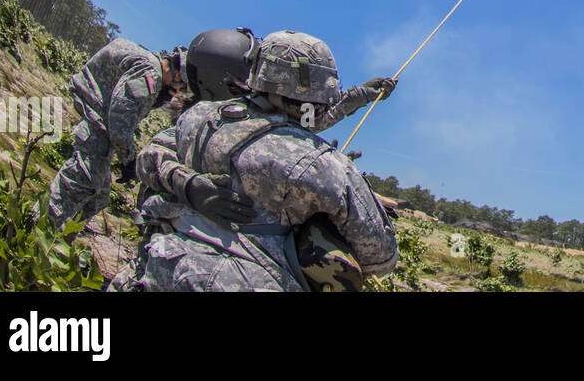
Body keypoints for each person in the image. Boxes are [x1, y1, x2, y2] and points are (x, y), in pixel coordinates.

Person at [126, 30, 398, 291]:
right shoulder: (326, 166)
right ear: (314, 92)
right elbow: (381, 257)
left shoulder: (200, 116)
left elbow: (150, 157)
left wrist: (187, 185)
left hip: (160, 268)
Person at [45, 37, 186, 229]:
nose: (174, 95)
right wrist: (128, 159)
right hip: (98, 126)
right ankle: (35, 235)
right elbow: (121, 116)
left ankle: (64, 236)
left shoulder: (148, 64)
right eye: (179, 89)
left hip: (99, 123)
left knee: (99, 197)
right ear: (178, 76)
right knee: (76, 186)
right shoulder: (151, 74)